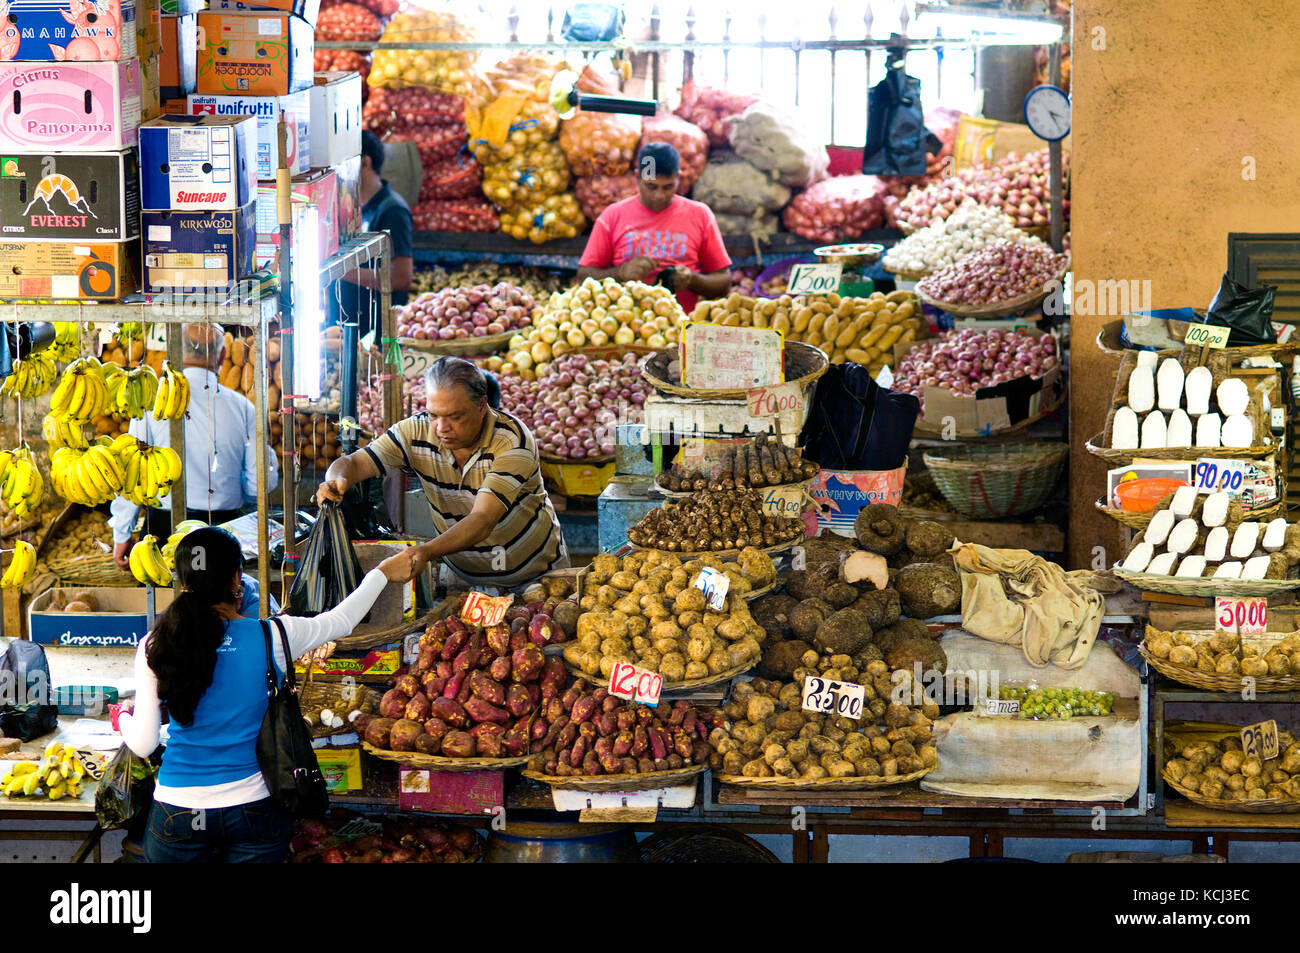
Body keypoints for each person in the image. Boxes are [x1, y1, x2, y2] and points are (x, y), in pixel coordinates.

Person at [119, 526, 419, 862]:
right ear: (237, 579)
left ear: (183, 579)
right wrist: (381, 573)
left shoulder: (155, 645)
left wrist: (123, 718)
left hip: (179, 811)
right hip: (253, 809)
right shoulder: (273, 635)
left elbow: (144, 743)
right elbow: (342, 621)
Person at [316, 357, 566, 591]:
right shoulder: (415, 431)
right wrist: (336, 480)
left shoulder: (512, 441)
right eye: (434, 415)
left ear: (482, 406)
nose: (441, 428)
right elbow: (355, 462)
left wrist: (424, 553)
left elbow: (482, 521)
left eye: (455, 417)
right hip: (463, 579)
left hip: (535, 579)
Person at [110, 325, 279, 578]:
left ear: (173, 352)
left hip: (163, 527)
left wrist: (122, 533)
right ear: (222, 357)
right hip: (224, 528)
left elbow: (132, 476)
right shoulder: (244, 408)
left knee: (169, 605)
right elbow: (259, 485)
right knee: (220, 606)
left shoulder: (150, 403)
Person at [577, 141, 733, 312]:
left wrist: (693, 280)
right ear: (637, 178)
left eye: (667, 187)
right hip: (625, 326)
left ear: (678, 178)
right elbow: (584, 276)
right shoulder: (613, 216)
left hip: (682, 328)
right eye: (651, 187)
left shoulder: (700, 215)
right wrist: (621, 273)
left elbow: (724, 282)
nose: (659, 196)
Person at [335, 130, 414, 339]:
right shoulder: (357, 207)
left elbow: (401, 278)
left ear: (365, 163)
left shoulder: (392, 210)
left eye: (345, 163)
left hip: (378, 335)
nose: (339, 171)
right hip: (354, 330)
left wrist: (338, 271)